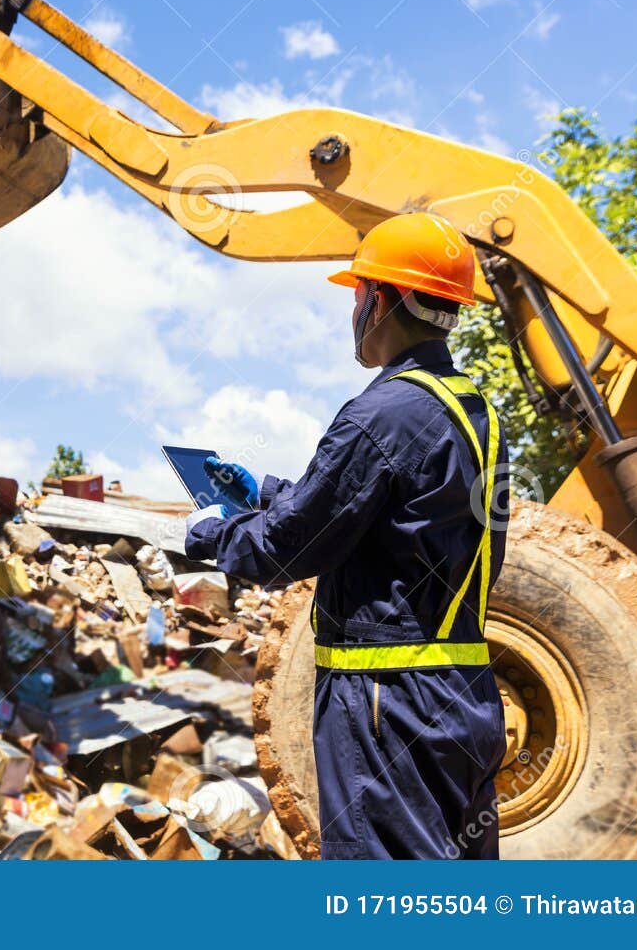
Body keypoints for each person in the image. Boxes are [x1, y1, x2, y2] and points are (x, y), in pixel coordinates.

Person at [186, 212, 508, 859]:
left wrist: (210, 533)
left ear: (381, 300)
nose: (353, 309)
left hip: (386, 707)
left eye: (358, 294)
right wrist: (266, 493)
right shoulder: (469, 408)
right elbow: (383, 512)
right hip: (461, 695)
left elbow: (287, 549)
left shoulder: (381, 413)